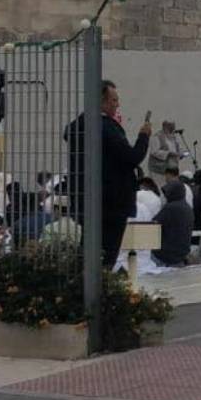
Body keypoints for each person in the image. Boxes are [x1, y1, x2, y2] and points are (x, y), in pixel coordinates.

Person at [64, 80, 150, 271]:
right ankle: (99, 286)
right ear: (100, 101)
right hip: (112, 202)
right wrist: (143, 137)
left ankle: (82, 283)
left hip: (85, 199)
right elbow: (131, 157)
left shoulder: (78, 126)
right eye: (113, 100)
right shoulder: (107, 127)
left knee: (88, 250)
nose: (117, 104)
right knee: (107, 254)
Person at [151, 169, 194, 268]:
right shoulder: (187, 207)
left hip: (167, 254)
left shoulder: (171, 207)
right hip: (181, 253)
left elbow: (154, 224)